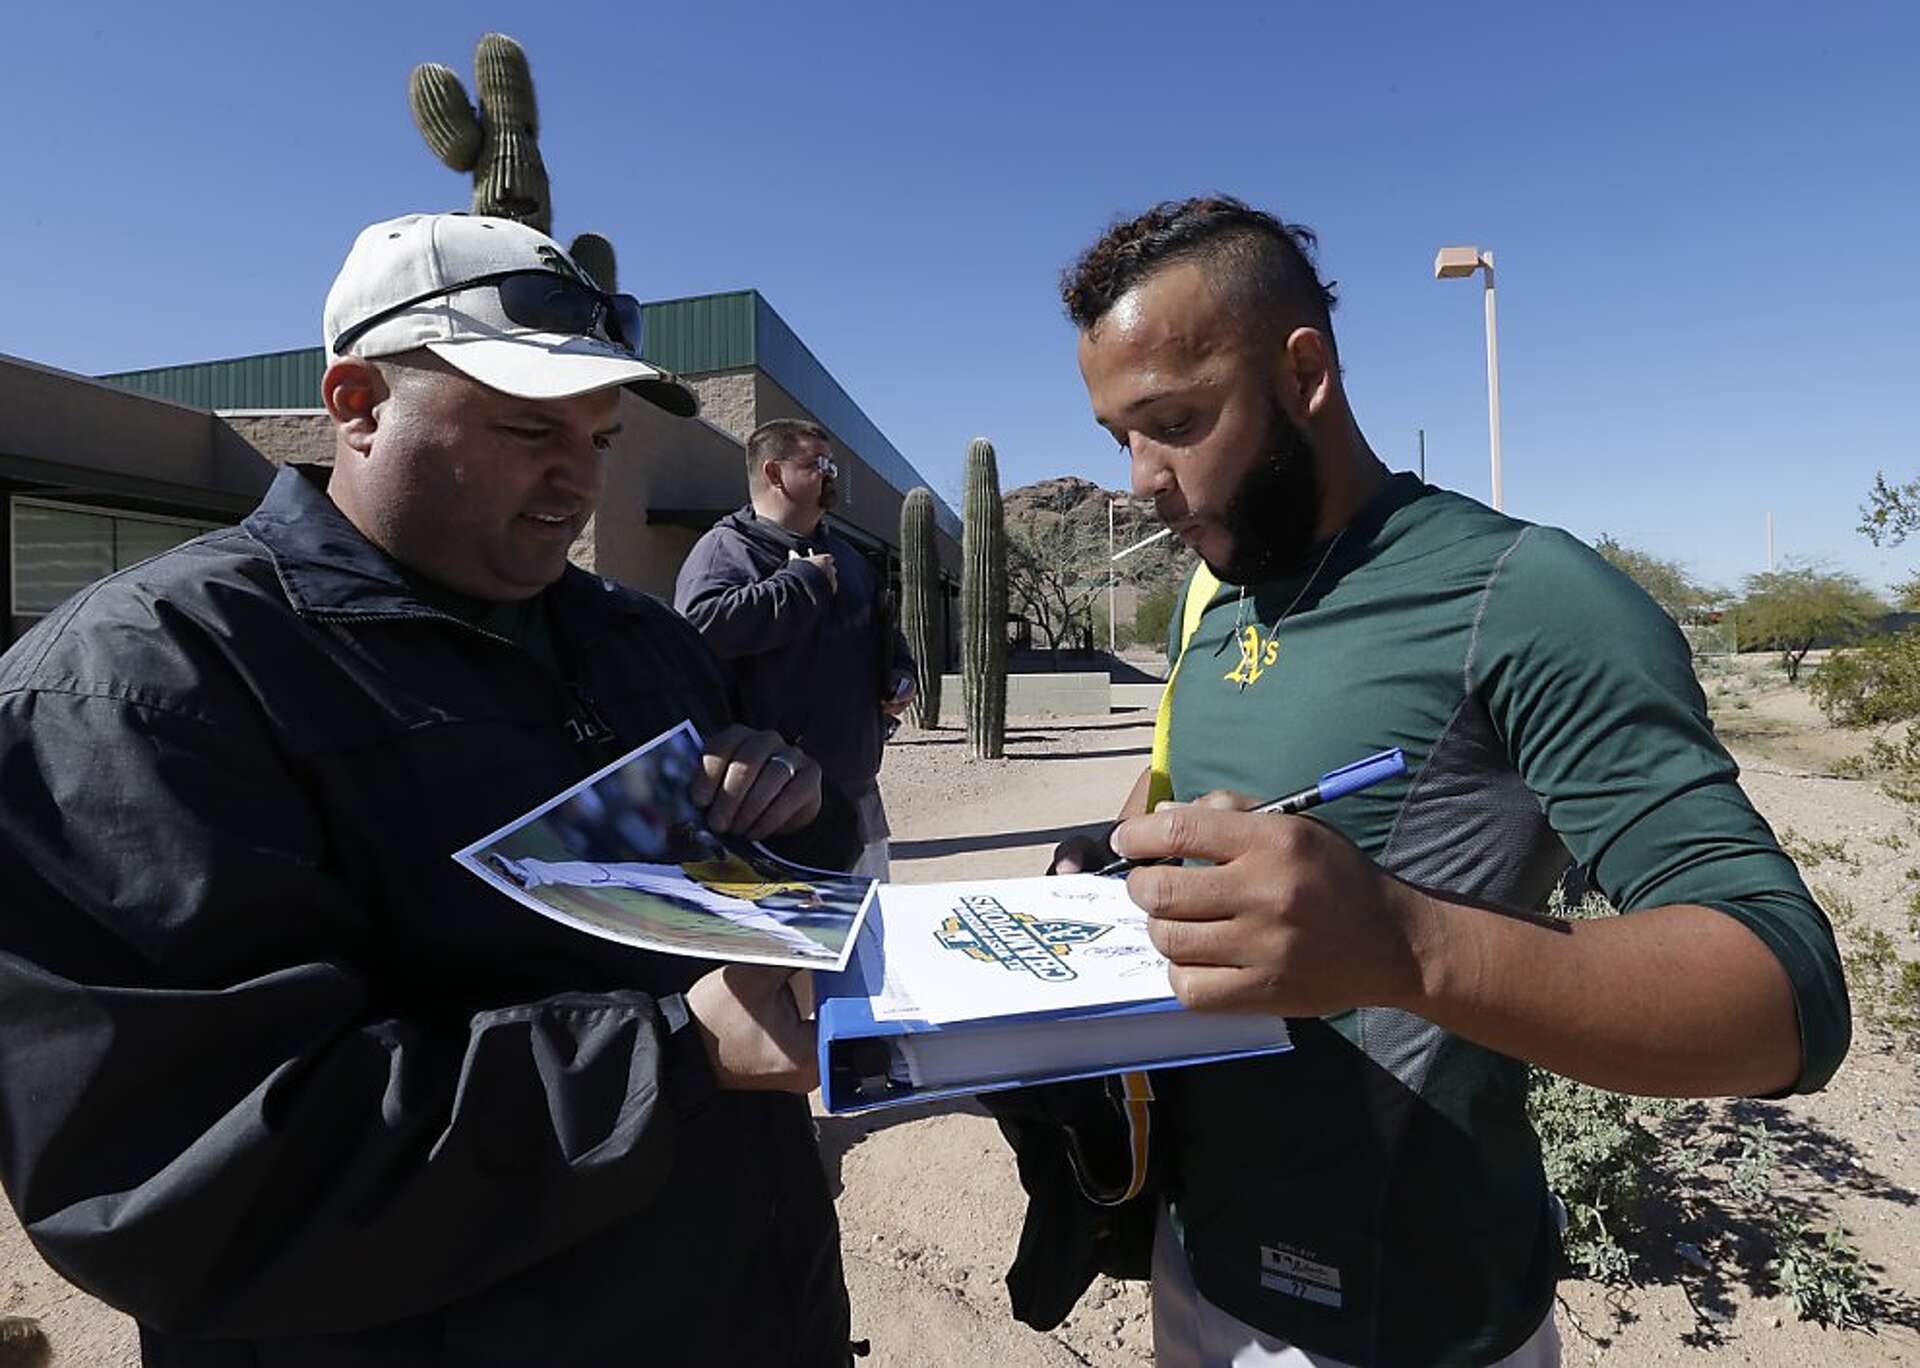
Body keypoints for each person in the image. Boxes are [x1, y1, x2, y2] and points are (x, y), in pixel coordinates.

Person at [0, 213, 858, 1367]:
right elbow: (192, 1181)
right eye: (526, 428)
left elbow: (747, 899)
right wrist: (671, 1057)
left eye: (600, 439)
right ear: (355, 404)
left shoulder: (634, 642)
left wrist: (795, 805)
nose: (578, 478)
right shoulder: (145, 685)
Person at [1040, 197, 1849, 1368]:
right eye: (1120, 433)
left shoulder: (1528, 599)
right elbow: (1178, 812)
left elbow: (1789, 992)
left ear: (1303, 370)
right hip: (1193, 1260)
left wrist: (1404, 945)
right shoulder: (1209, 601)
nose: (1142, 480)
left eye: (1173, 421)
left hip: (1405, 1320)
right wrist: (1112, 865)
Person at [674, 418, 917, 878]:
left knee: (872, 937)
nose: (830, 474)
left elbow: (886, 636)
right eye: (817, 464)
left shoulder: (848, 558)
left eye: (834, 466)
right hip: (772, 809)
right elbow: (697, 629)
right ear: (773, 473)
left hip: (858, 795)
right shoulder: (726, 549)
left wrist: (900, 672)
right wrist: (800, 584)